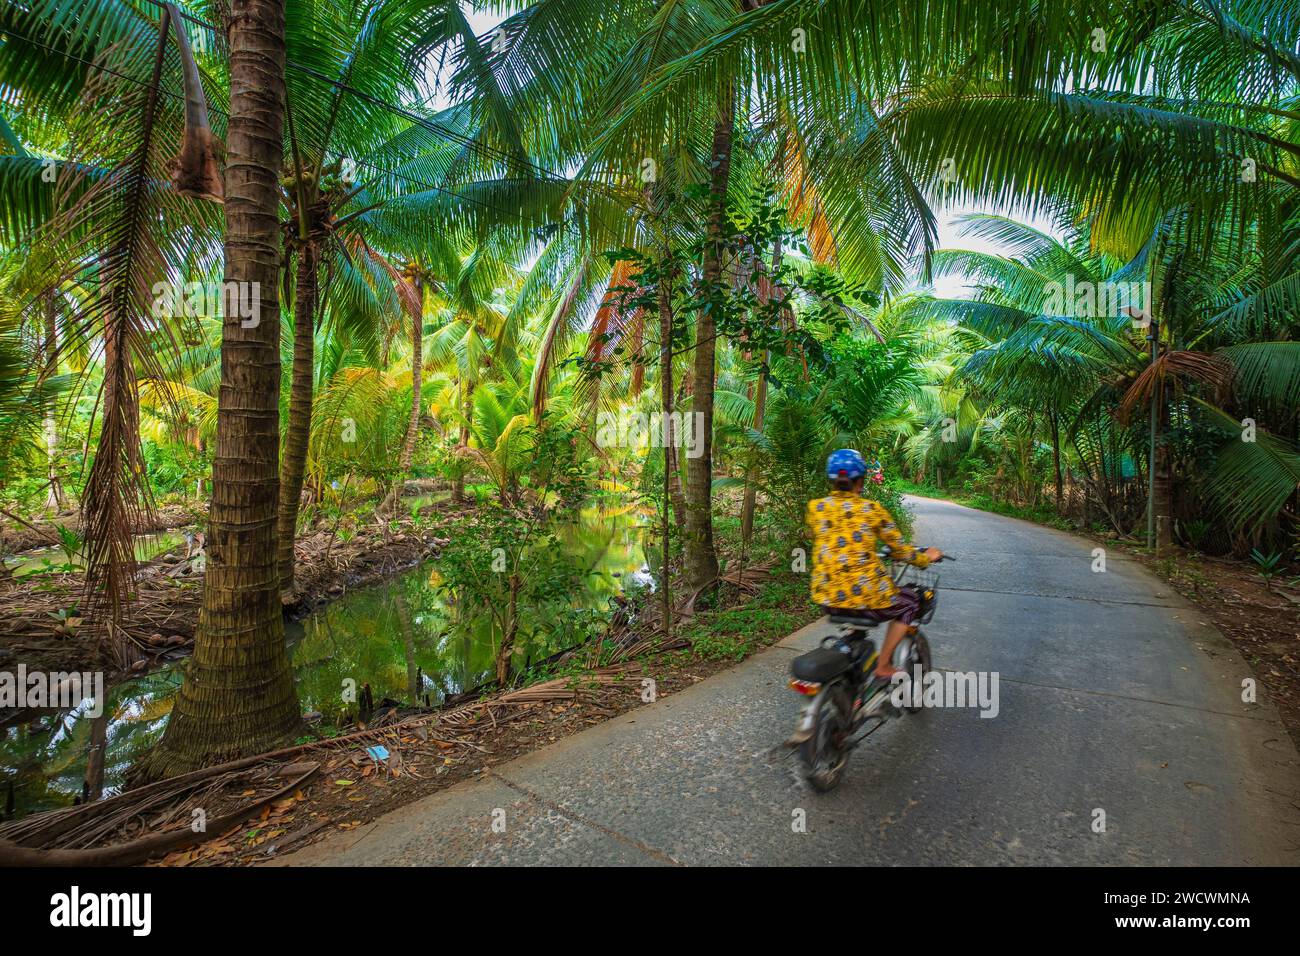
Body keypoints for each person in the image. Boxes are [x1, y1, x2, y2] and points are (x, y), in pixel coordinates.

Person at [805, 448, 942, 681]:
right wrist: (925, 557)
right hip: (866, 598)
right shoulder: (871, 510)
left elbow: (822, 537)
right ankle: (884, 665)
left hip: (826, 598)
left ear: (831, 481)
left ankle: (854, 651)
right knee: (909, 603)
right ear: (860, 481)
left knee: (853, 602)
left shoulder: (816, 508)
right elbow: (900, 550)